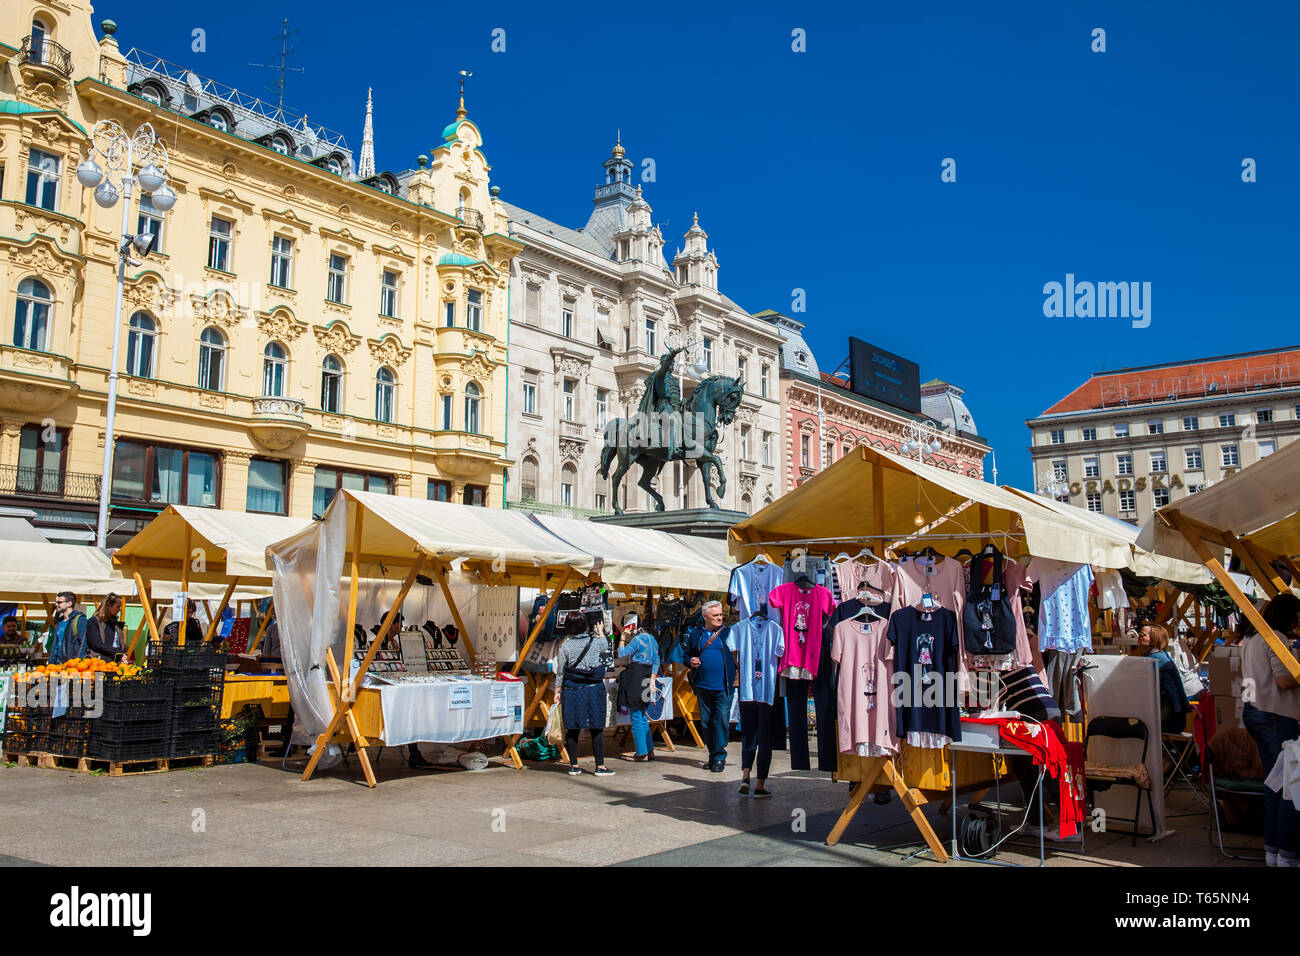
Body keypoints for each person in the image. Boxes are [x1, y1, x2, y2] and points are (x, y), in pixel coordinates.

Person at [1240, 593, 1300, 867]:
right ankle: (1286, 854)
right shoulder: (1275, 638)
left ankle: (1273, 851)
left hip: (1255, 712)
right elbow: (1285, 680)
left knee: (1274, 784)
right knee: (1289, 786)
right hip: (1277, 715)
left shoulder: (1252, 638)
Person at [555, 612, 614, 777]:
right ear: (585, 625)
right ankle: (600, 766)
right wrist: (601, 630)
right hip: (593, 689)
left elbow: (561, 670)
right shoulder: (595, 642)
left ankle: (573, 765)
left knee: (572, 728)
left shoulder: (565, 646)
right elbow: (606, 646)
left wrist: (557, 691)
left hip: (572, 690)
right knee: (596, 728)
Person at [683, 599, 736, 773]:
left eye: (721, 615)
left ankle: (720, 756)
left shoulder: (728, 633)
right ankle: (713, 754)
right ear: (705, 616)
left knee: (720, 720)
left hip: (724, 686)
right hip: (703, 685)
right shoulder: (696, 634)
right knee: (706, 722)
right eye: (715, 615)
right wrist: (690, 661)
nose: (720, 618)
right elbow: (687, 655)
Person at [1135, 624, 1192, 735]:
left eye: (1143, 635)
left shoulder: (1157, 660)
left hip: (1170, 718)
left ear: (1154, 639)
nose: (1139, 636)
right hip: (1173, 716)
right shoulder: (1157, 656)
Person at [616, 627, 661, 762]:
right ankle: (649, 749)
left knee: (635, 714)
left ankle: (641, 752)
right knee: (642, 714)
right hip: (647, 676)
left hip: (636, 675)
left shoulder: (637, 639)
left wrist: (623, 638)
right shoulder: (653, 640)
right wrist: (652, 679)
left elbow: (622, 654)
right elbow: (656, 661)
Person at [47, 591, 88, 664]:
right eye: (56, 602)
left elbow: (84, 644)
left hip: (72, 666)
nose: (56, 604)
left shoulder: (80, 620)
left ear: (69, 603)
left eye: (59, 602)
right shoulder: (59, 621)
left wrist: (78, 663)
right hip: (56, 666)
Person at [85, 593, 127, 662]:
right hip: (98, 664)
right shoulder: (94, 622)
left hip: (115, 664)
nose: (120, 609)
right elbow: (96, 644)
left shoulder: (115, 624)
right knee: (100, 673)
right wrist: (117, 651)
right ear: (109, 605)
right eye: (118, 606)